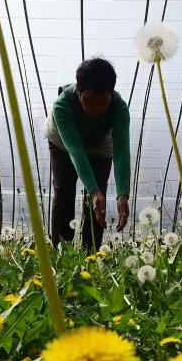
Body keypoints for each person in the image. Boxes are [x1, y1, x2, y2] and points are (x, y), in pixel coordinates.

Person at [45, 56, 130, 251]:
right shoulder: (62, 105)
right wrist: (92, 190)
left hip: (99, 144)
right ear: (78, 91)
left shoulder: (119, 108)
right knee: (64, 192)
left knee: (97, 201)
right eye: (90, 100)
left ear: (111, 95)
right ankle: (61, 252)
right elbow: (75, 150)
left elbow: (122, 150)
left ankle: (91, 253)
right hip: (63, 143)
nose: (96, 108)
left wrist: (123, 194)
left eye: (103, 102)